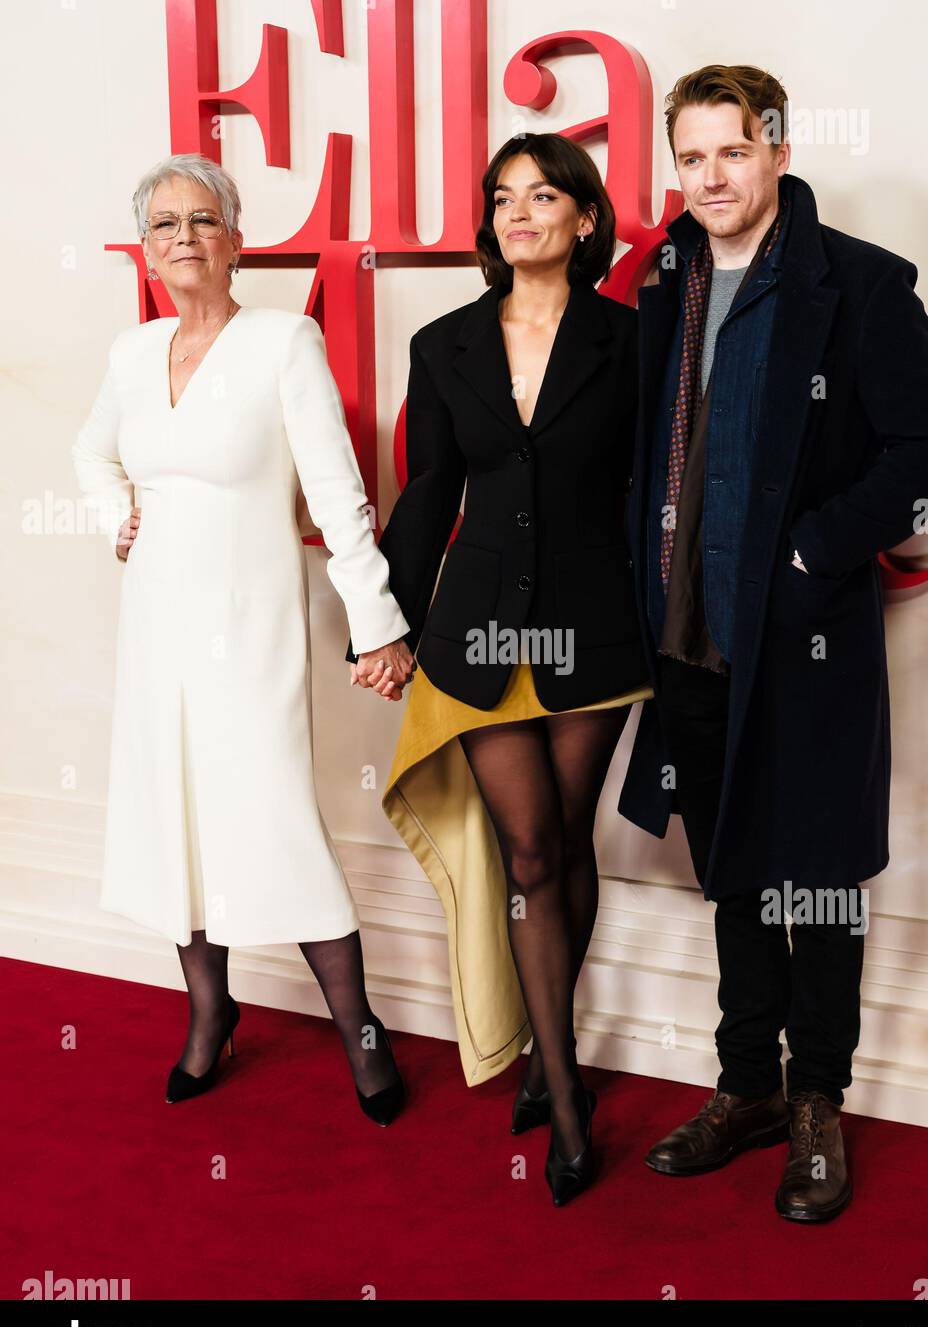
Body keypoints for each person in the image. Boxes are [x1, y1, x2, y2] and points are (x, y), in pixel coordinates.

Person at [617, 66, 928, 1220]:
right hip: (689, 634)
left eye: (732, 152)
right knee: (731, 867)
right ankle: (743, 1088)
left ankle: (816, 1098)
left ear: (774, 149)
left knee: (813, 874)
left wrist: (814, 553)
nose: (710, 177)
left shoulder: (856, 285)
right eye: (690, 157)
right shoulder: (663, 279)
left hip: (804, 641)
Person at [72, 153, 414, 1124]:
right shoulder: (130, 356)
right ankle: (209, 1010)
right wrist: (114, 514)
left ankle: (359, 1027)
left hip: (249, 631)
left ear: (236, 238)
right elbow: (89, 451)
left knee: (271, 818)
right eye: (164, 224)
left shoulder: (281, 342)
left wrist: (376, 624)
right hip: (155, 634)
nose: (183, 237)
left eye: (202, 220)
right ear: (146, 249)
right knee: (172, 818)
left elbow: (341, 496)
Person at [346, 133, 653, 1205]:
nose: (517, 211)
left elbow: (650, 493)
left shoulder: (633, 339)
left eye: (542, 195)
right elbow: (428, 494)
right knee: (527, 850)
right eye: (500, 197)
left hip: (593, 627)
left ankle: (545, 1049)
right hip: (476, 633)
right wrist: (382, 626)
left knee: (566, 842)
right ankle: (562, 1089)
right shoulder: (443, 345)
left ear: (581, 218)